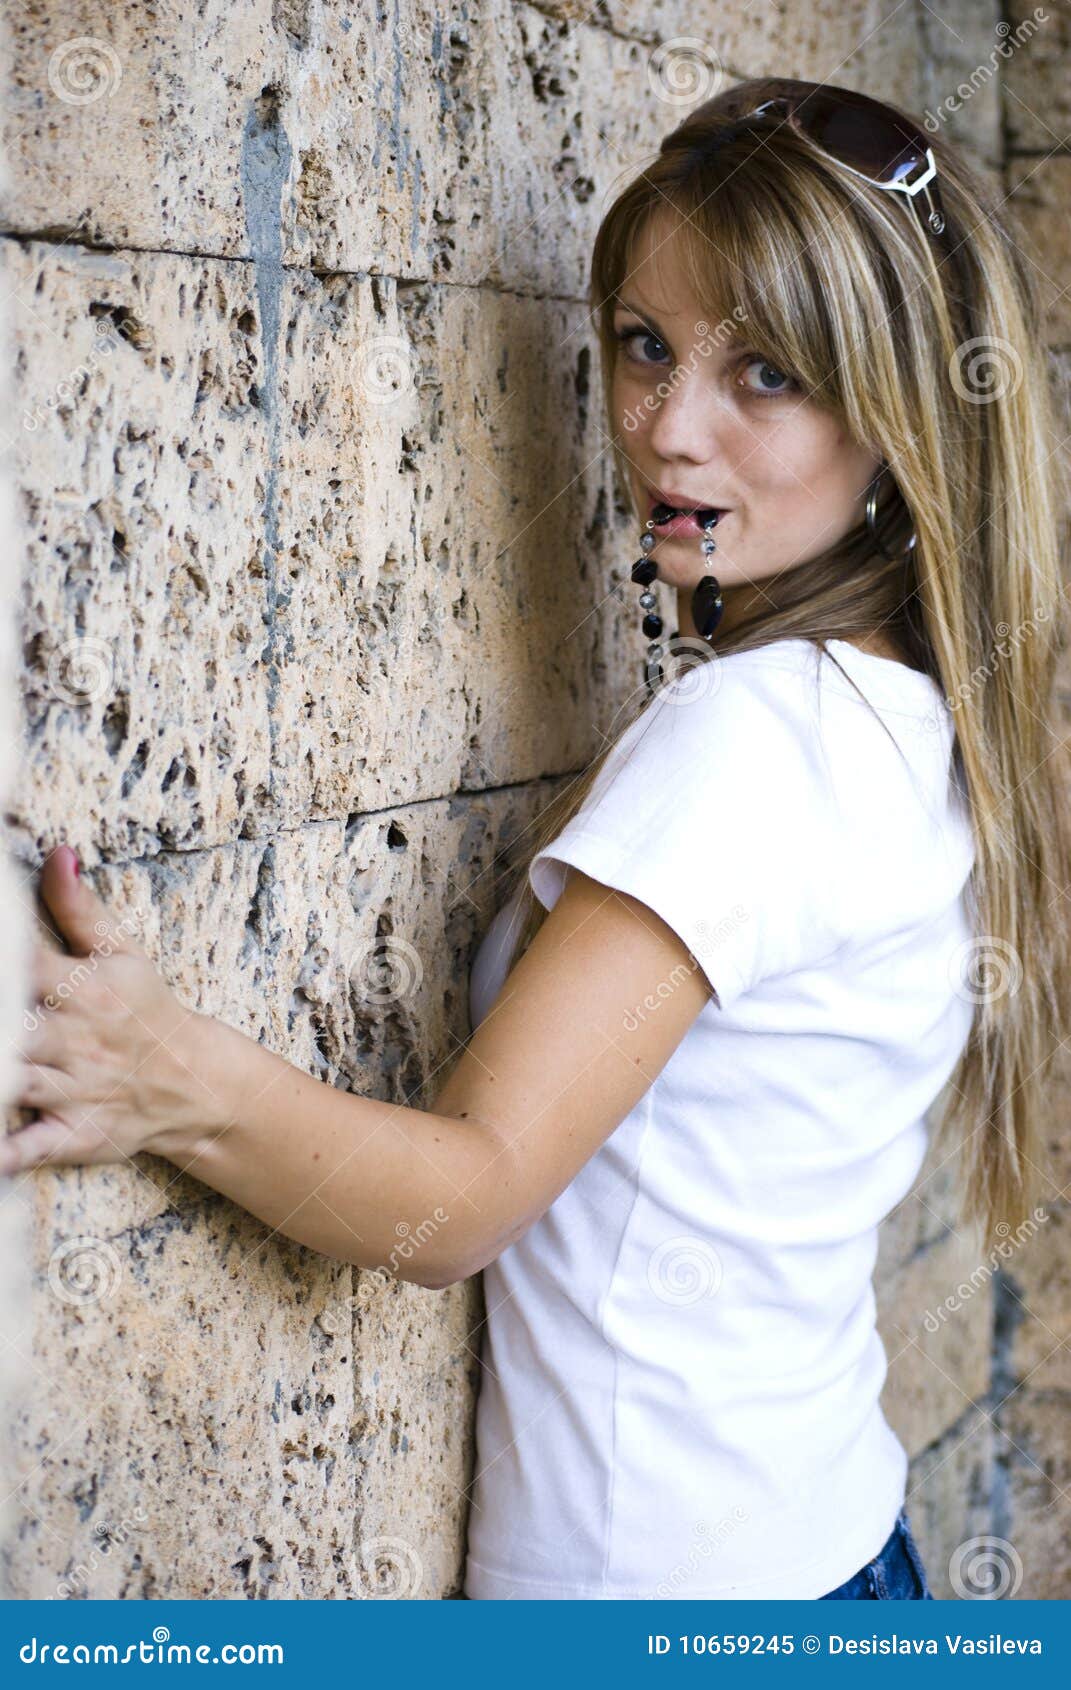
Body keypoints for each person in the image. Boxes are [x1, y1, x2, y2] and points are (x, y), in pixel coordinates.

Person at [5, 79, 1070, 1601]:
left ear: (900, 412)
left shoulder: (762, 741)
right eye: (647, 344)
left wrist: (164, 1073)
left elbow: (468, 1195)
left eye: (763, 372)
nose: (666, 428)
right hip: (833, 1546)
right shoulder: (909, 713)